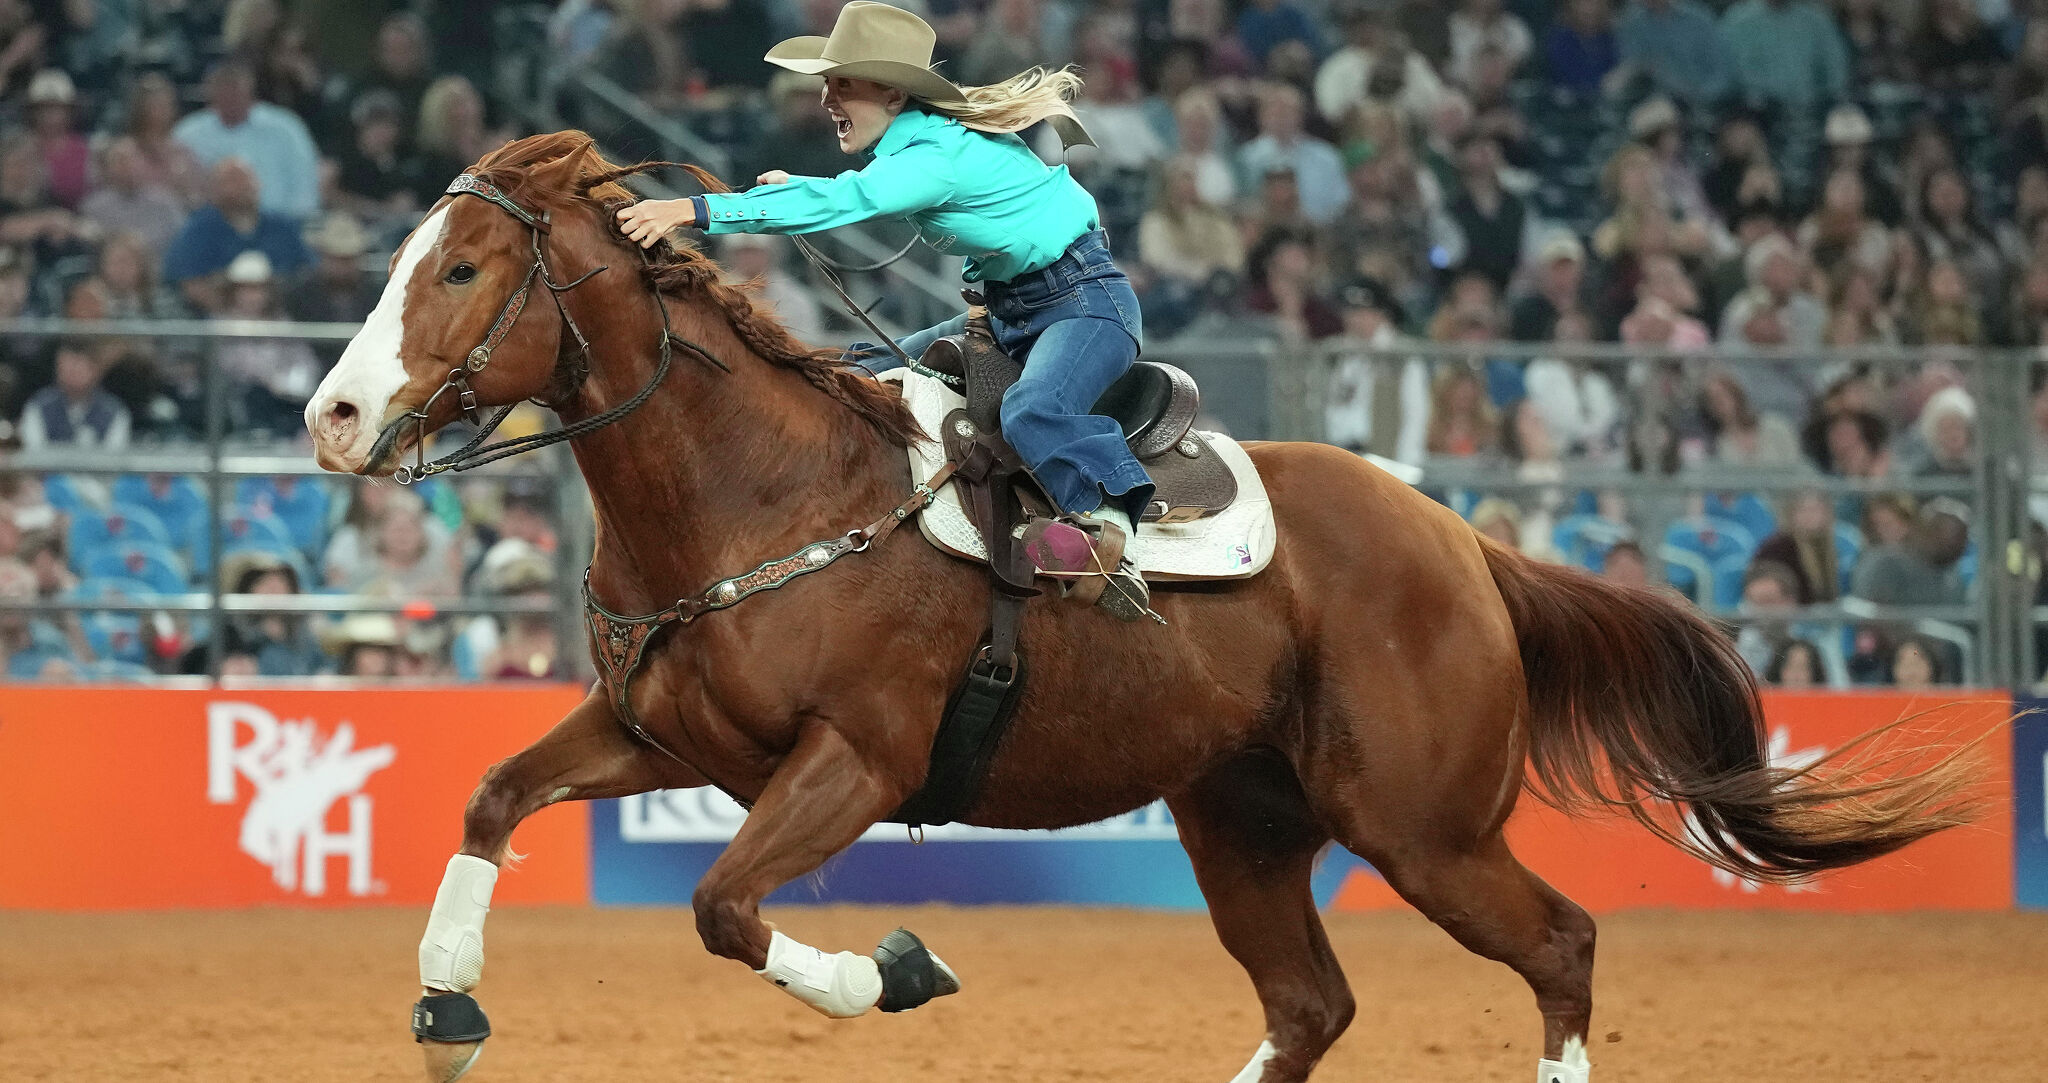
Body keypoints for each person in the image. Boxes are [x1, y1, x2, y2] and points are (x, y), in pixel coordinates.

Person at [615, 2, 1154, 619]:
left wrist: (693, 211)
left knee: (1033, 410)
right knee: (855, 368)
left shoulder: (934, 159)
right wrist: (795, 189)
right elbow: (875, 194)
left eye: (843, 83)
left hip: (1084, 307)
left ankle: (1110, 537)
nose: (826, 99)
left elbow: (852, 198)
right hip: (1012, 313)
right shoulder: (927, 149)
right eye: (826, 83)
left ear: (894, 95)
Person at [171, 59, 321, 221]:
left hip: (282, 224)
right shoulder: (187, 134)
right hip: (213, 229)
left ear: (250, 91)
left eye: (235, 91)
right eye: (223, 91)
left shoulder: (285, 128)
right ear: (209, 93)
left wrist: (293, 223)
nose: (230, 98)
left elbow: (305, 183)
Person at [19, 339, 131, 450]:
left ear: (96, 371)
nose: (71, 374)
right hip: (49, 468)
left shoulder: (114, 410)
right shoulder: (39, 405)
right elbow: (32, 453)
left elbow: (114, 458)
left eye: (78, 368)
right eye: (65, 368)